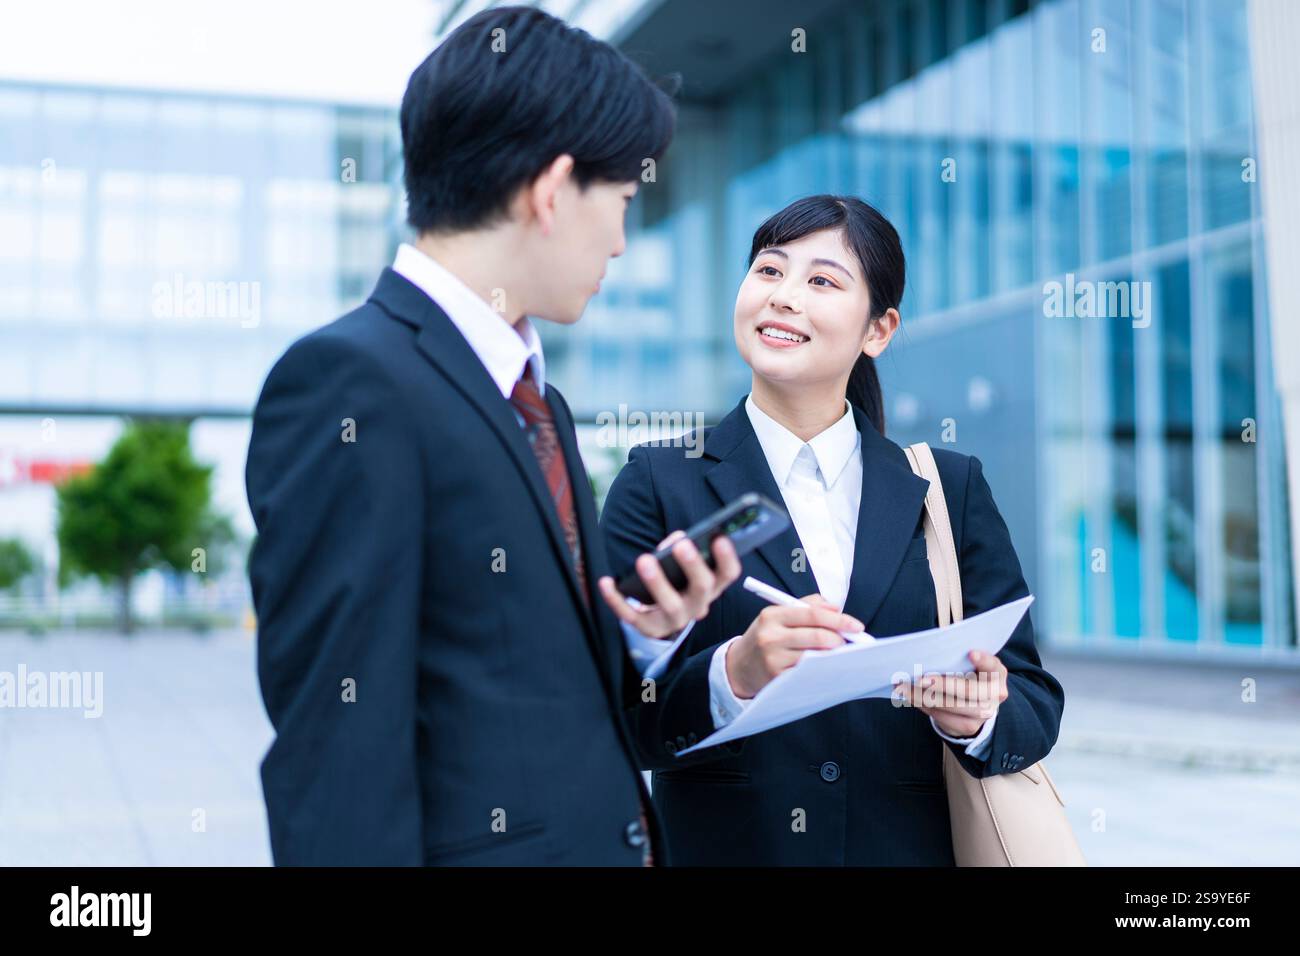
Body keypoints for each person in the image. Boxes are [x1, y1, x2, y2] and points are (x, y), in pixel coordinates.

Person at [245, 5, 740, 866]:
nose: (622, 242)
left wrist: (644, 632)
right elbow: (337, 759)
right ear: (552, 191)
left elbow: (508, 680)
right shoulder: (349, 385)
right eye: (622, 200)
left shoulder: (536, 401)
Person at [600, 194, 1065, 865]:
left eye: (821, 281)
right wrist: (735, 674)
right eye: (769, 270)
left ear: (878, 330)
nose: (784, 297)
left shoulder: (947, 488)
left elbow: (1033, 700)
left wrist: (981, 717)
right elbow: (614, 716)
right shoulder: (658, 481)